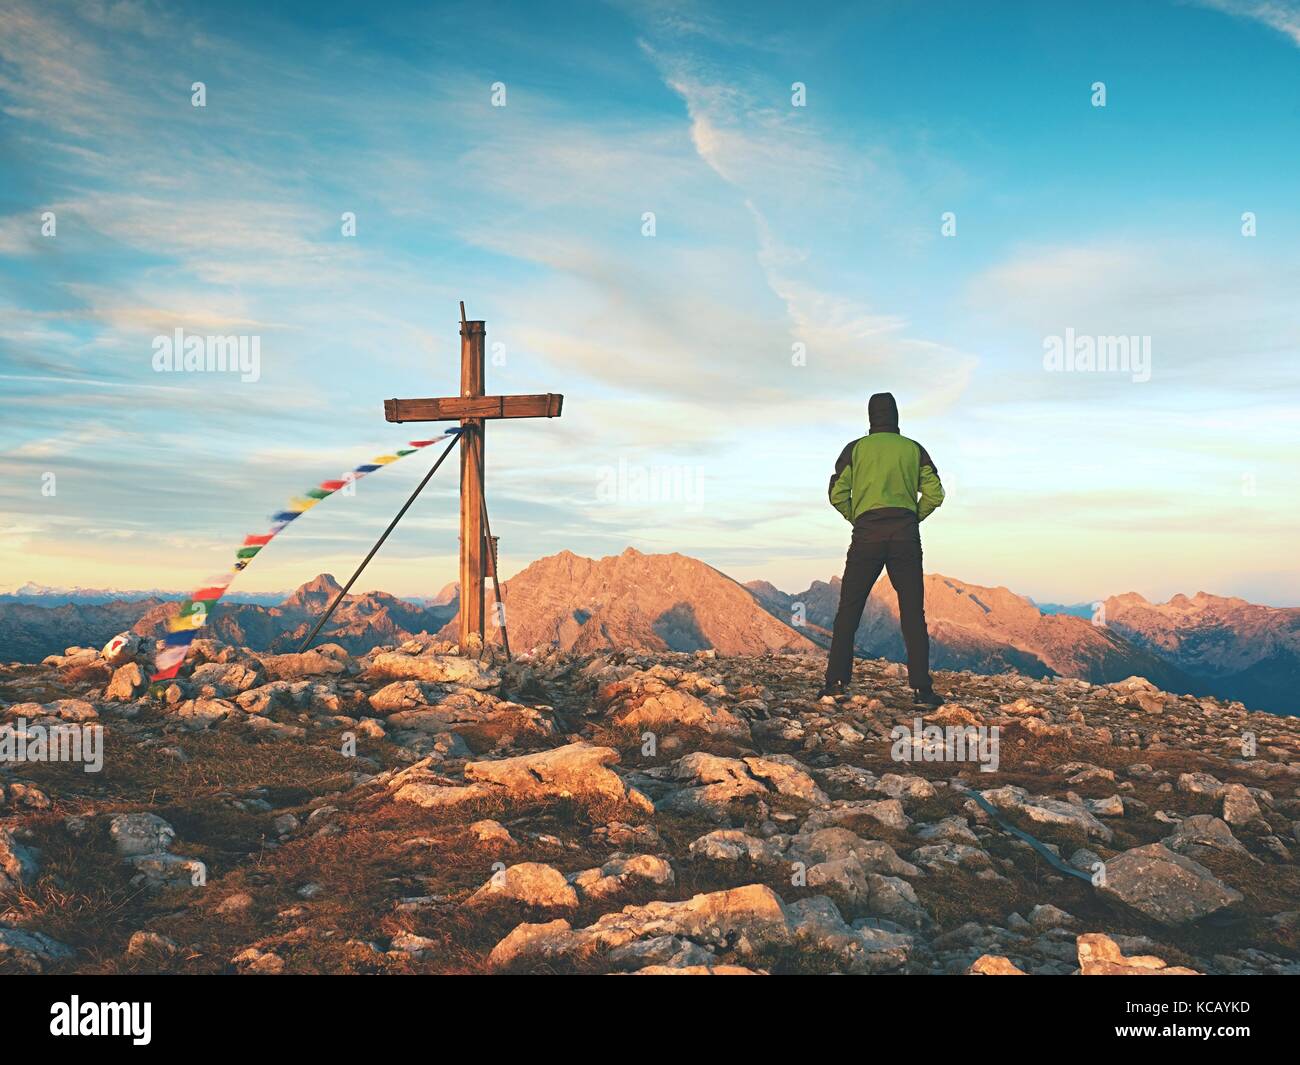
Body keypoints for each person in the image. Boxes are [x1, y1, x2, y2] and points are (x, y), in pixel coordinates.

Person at [820, 392, 945, 706]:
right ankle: (922, 690)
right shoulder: (914, 449)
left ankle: (835, 683)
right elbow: (935, 493)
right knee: (912, 613)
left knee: (849, 610)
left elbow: (837, 492)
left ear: (871, 417)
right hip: (905, 535)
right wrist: (912, 517)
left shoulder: (856, 449)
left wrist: (858, 516)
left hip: (867, 535)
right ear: (896, 417)